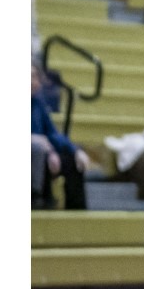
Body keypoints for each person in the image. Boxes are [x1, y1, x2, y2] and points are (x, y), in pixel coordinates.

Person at [32, 58, 90, 210]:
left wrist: (75, 150)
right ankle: (38, 202)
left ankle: (77, 212)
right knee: (37, 152)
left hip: (44, 153)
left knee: (73, 161)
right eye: (30, 76)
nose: (34, 81)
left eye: (35, 77)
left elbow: (52, 134)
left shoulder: (38, 104)